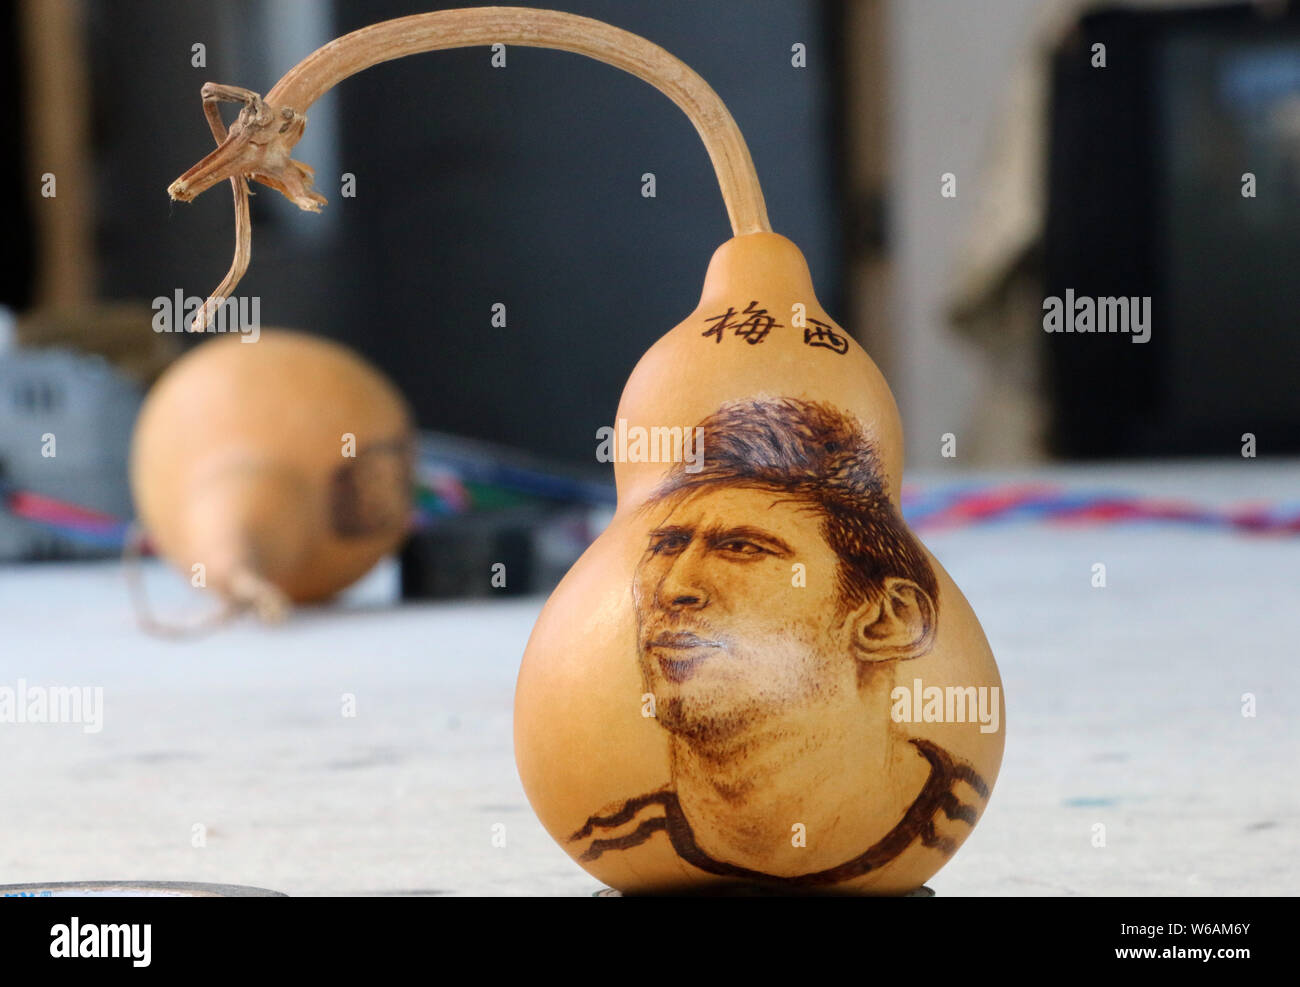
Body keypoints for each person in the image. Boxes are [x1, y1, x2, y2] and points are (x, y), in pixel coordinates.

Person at [568, 397, 988, 887]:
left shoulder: (942, 824)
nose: (674, 587)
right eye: (668, 545)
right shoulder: (615, 842)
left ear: (887, 621)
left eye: (742, 547)